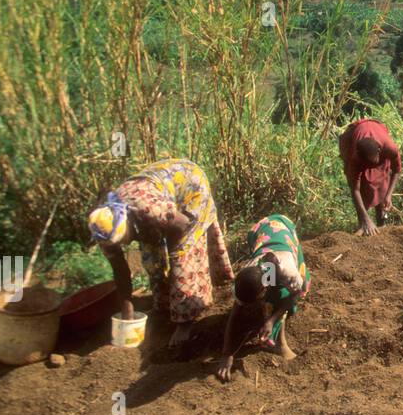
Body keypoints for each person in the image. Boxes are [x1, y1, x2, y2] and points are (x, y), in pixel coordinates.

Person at [87, 158, 234, 347]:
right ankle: (165, 306)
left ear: (129, 223)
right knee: (151, 258)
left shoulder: (148, 209)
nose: (125, 243)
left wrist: (174, 265)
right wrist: (128, 315)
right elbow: (120, 271)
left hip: (189, 187)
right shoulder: (103, 229)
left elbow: (181, 225)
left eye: (125, 238)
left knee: (183, 256)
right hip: (158, 206)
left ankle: (186, 319)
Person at [217, 213, 310, 382]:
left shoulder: (289, 273)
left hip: (282, 228)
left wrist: (272, 320)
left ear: (263, 289)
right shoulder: (250, 270)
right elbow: (235, 314)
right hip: (261, 230)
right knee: (271, 300)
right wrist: (227, 354)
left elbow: (294, 294)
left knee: (284, 295)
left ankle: (280, 343)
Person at [338, 118, 402, 236]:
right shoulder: (355, 158)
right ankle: (364, 222)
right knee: (363, 184)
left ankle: (381, 222)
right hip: (355, 138)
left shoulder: (390, 148)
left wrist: (388, 196)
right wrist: (365, 219)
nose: (369, 168)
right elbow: (355, 188)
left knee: (382, 180)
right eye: (366, 165)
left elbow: (397, 170)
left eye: (372, 164)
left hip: (377, 136)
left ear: (379, 151)